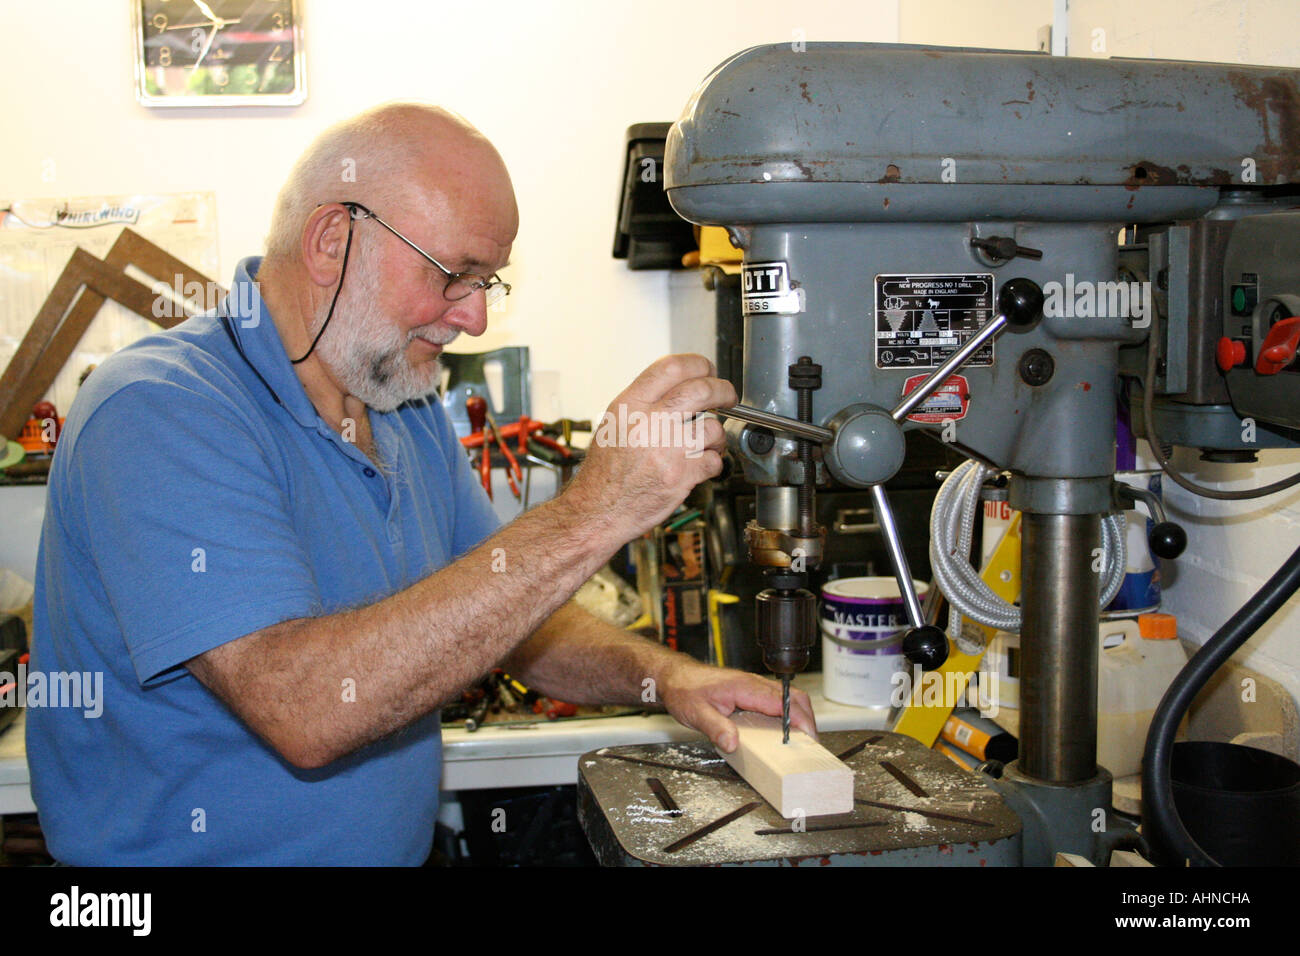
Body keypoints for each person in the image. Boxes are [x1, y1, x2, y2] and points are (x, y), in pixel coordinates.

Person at [26, 103, 815, 865]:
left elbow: (516, 618)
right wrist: (594, 513)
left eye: (489, 283)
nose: (473, 319)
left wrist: (671, 678)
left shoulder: (401, 402)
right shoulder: (162, 409)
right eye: (456, 274)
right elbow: (303, 709)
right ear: (334, 239)